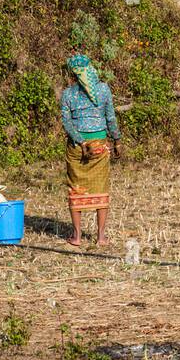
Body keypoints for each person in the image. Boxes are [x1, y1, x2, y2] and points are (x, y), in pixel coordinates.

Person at [59, 54, 122, 246]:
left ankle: (77, 236)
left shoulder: (68, 94)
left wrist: (80, 141)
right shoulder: (103, 90)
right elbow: (110, 117)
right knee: (101, 188)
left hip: (78, 148)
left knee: (75, 189)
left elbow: (67, 123)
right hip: (99, 146)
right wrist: (117, 139)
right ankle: (101, 236)